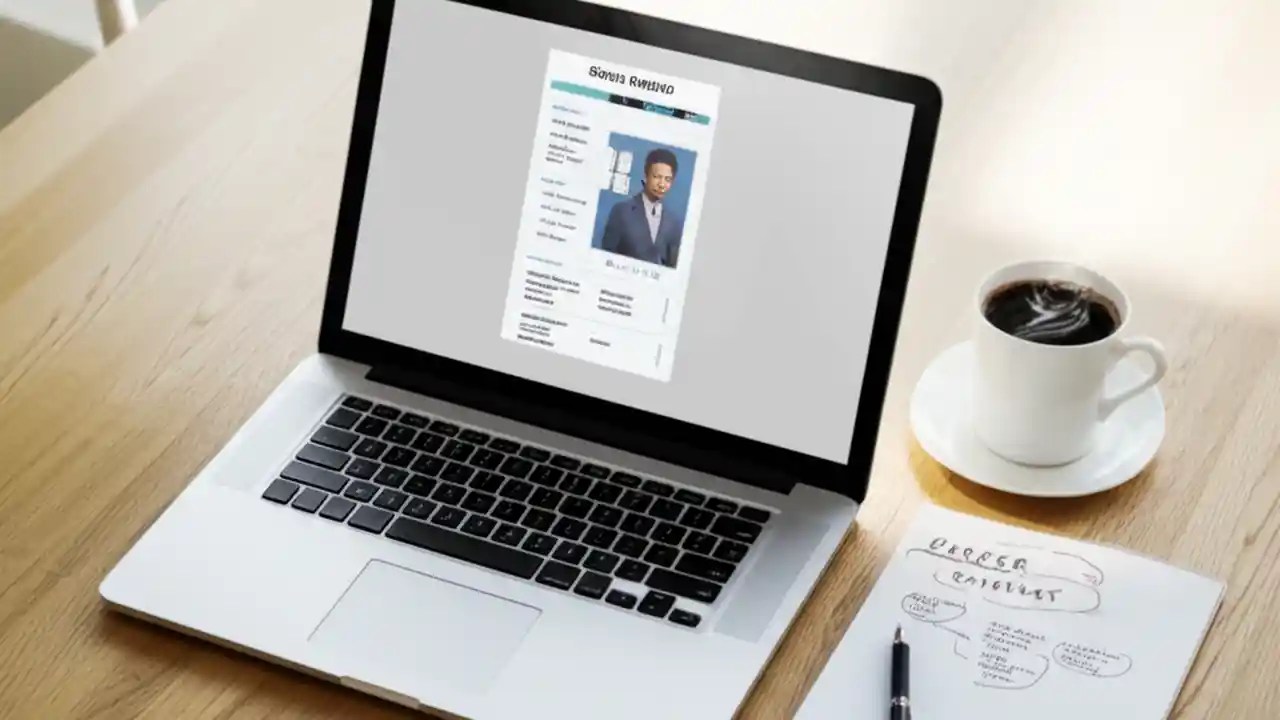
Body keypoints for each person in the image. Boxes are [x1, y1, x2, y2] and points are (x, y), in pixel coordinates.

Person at [599, 148, 684, 268]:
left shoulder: (674, 222)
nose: (661, 184)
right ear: (646, 176)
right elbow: (605, 257)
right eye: (657, 177)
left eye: (667, 179)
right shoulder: (621, 212)